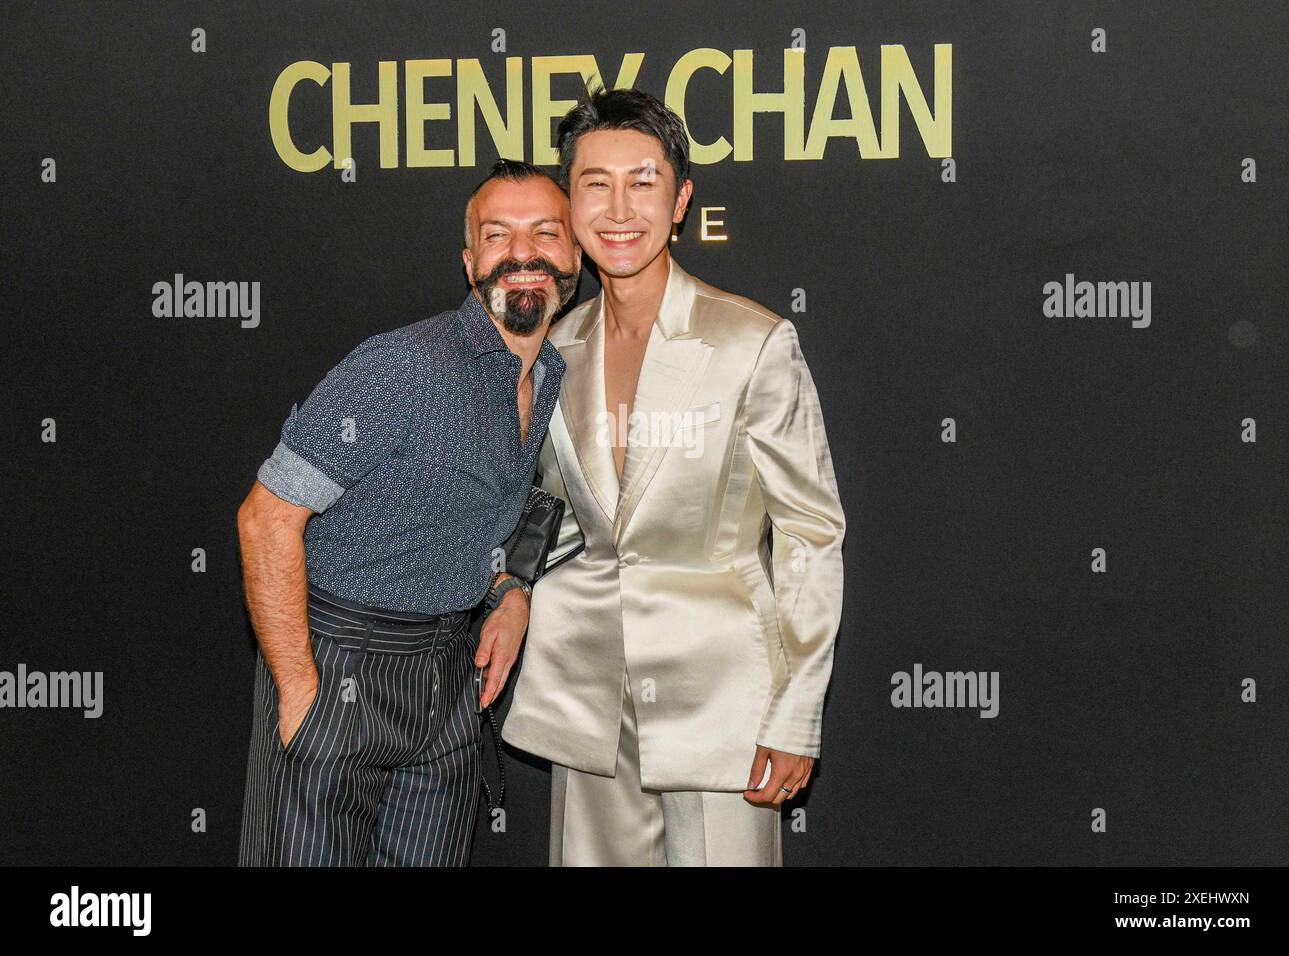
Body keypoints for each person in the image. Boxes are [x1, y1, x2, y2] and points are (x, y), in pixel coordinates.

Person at [501, 88, 846, 866]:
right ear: (571, 200)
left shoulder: (751, 342)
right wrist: (511, 592)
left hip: (719, 695)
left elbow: (810, 535)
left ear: (681, 198)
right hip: (586, 692)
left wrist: (795, 714)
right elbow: (550, 508)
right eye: (595, 183)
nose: (619, 208)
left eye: (643, 181)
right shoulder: (555, 348)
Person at [237, 159, 580, 866]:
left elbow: (470, 525)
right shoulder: (402, 366)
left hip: (449, 684)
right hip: (339, 664)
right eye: (498, 235)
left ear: (575, 256)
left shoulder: (547, 375)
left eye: (546, 233)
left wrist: (508, 592)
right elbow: (266, 518)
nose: (523, 253)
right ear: (470, 262)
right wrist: (301, 690)